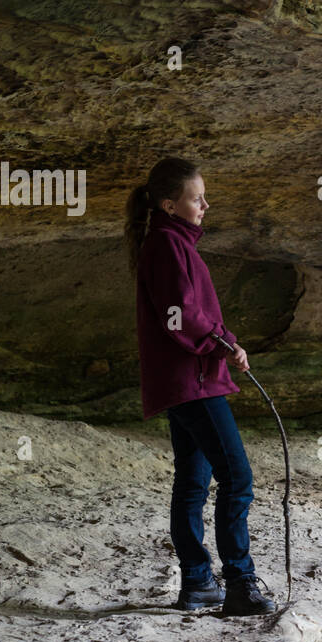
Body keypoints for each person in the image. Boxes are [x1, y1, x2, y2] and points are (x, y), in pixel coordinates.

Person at [123, 157, 275, 616]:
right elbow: (181, 315)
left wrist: (221, 343)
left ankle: (197, 584)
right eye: (196, 197)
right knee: (238, 479)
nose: (205, 204)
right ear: (170, 204)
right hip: (194, 381)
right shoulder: (167, 244)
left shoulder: (170, 242)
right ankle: (240, 586)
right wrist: (224, 344)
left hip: (187, 378)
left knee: (193, 482)